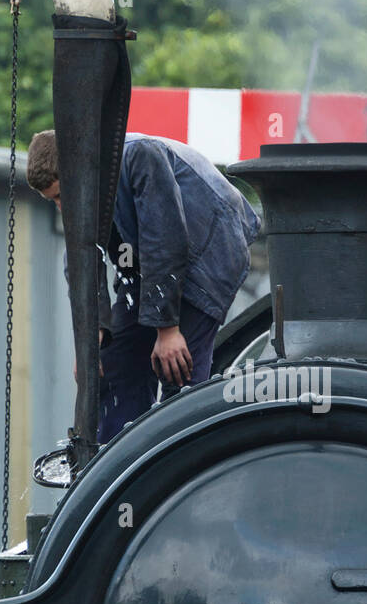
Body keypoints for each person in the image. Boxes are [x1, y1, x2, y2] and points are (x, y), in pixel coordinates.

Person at [26, 130, 261, 442]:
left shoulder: (141, 157)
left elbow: (164, 238)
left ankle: (176, 454)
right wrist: (92, 336)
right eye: (52, 200)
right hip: (146, 262)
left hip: (208, 252)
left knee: (177, 368)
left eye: (59, 196)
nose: (59, 207)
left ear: (78, 172)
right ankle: (114, 462)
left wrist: (167, 330)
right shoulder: (83, 188)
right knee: (114, 365)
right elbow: (81, 259)